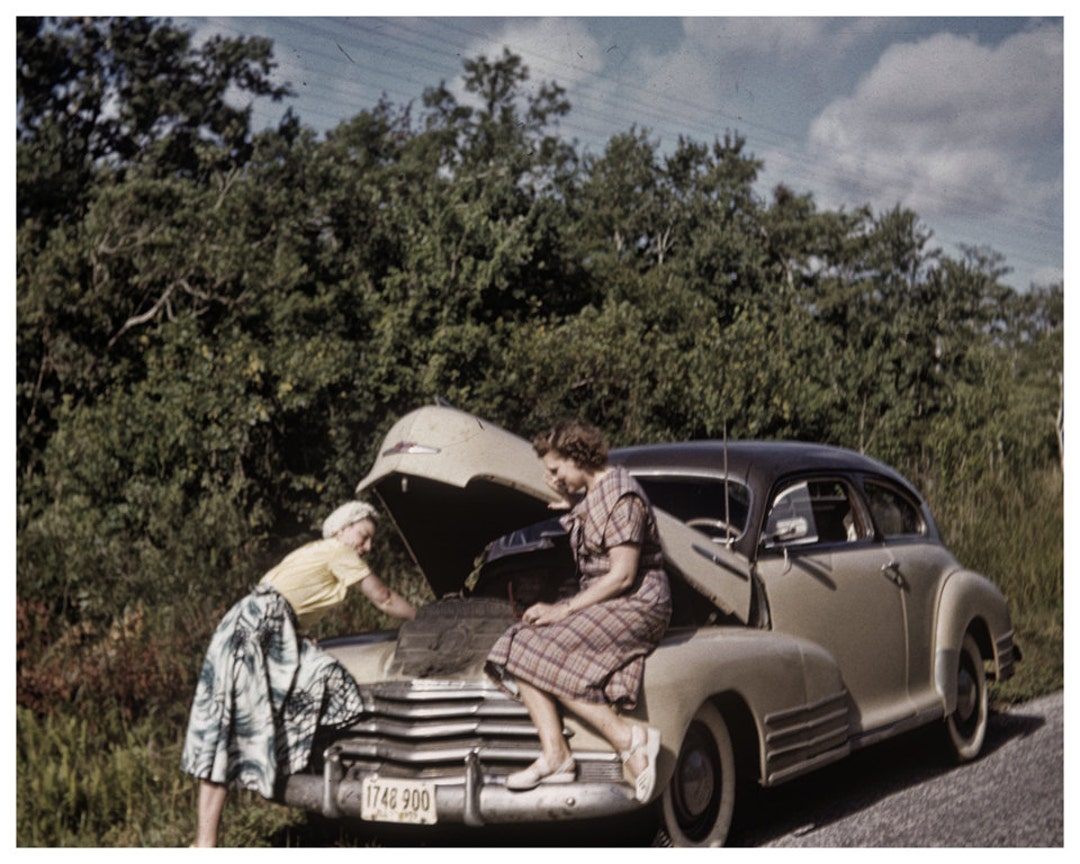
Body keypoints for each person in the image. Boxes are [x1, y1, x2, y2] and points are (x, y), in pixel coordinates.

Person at [181, 501, 416, 847]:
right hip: (257, 630)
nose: (367, 548)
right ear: (343, 529)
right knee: (231, 729)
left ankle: (207, 841)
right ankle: (208, 843)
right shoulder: (338, 550)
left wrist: (296, 634)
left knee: (225, 726)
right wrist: (425, 616)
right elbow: (384, 598)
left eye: (369, 542)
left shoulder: (314, 552)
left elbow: (284, 598)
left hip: (246, 624)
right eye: (364, 537)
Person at [485, 420, 672, 803]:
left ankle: (629, 739)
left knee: (539, 646)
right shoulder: (594, 493)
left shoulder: (623, 497)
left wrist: (563, 609)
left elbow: (622, 576)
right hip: (607, 598)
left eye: (555, 469)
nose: (551, 477)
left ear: (576, 457)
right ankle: (556, 756)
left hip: (639, 602)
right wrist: (574, 505)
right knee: (518, 640)